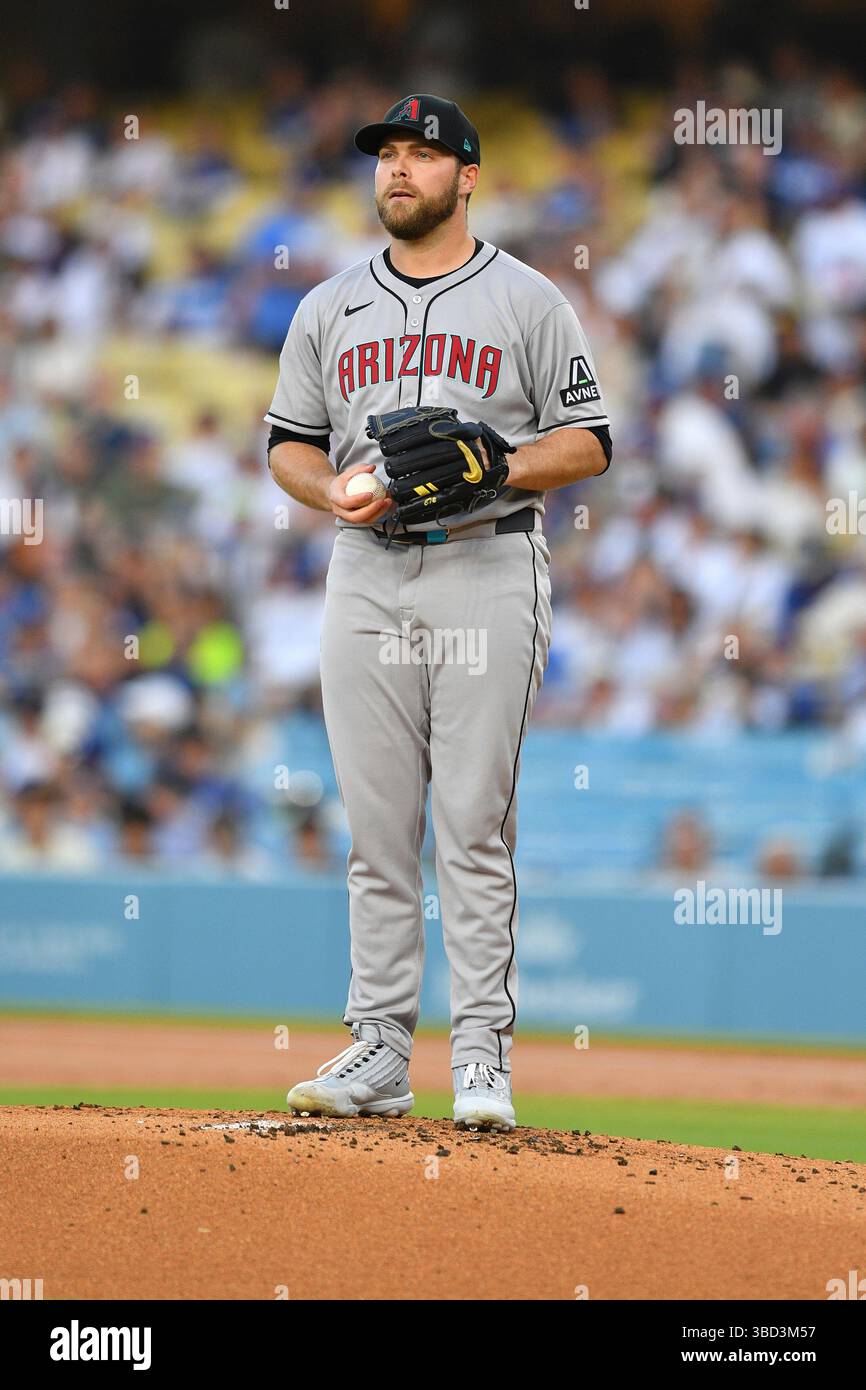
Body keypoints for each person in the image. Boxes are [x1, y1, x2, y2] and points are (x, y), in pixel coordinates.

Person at [267, 95, 611, 1130]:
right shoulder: (328, 306)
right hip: (363, 568)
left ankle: (478, 1057)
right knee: (377, 832)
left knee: (469, 825)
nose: (399, 170)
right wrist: (328, 491)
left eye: (423, 154)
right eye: (388, 155)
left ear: (469, 177)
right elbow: (286, 440)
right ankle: (376, 1049)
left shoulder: (527, 300)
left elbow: (589, 439)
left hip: (485, 565)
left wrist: (498, 463)